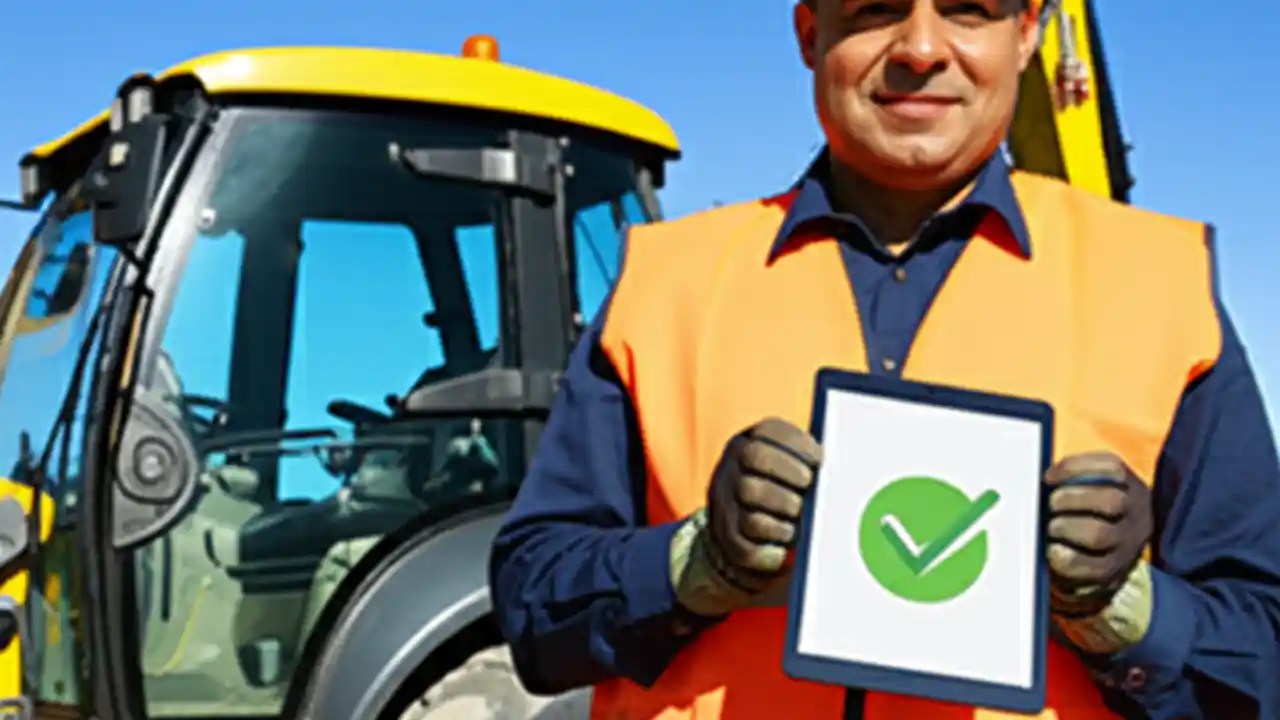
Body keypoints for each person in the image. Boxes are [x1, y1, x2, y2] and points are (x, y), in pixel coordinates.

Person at [488, 0, 1280, 718]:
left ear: (1027, 34)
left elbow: (1261, 656)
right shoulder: (666, 283)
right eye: (876, 10)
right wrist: (694, 562)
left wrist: (1127, 609)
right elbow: (533, 605)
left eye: (968, 10)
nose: (921, 48)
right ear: (810, 34)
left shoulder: (1162, 286)